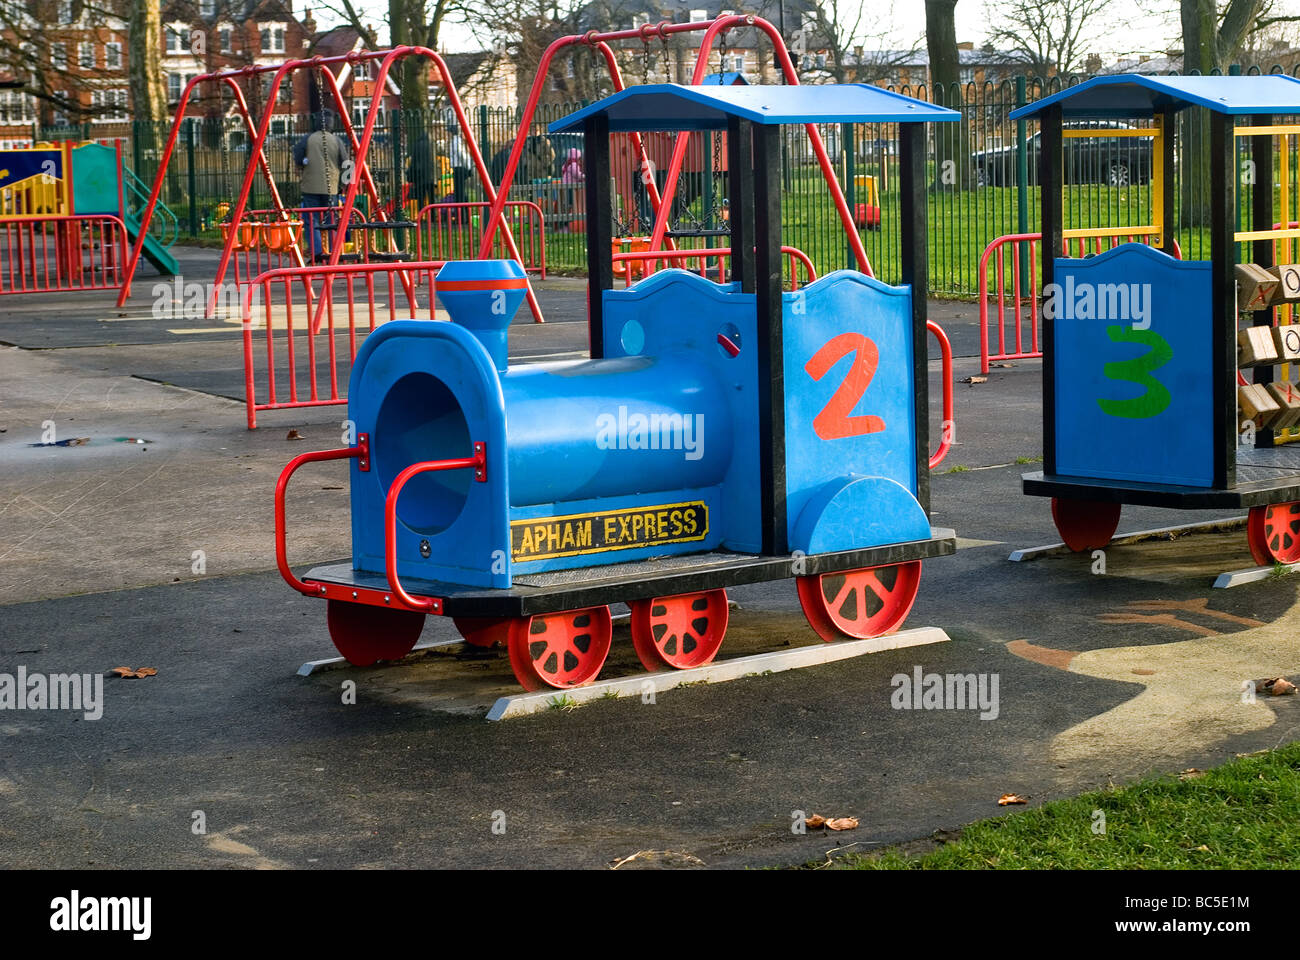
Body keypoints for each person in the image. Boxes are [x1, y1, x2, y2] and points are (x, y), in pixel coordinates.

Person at [293, 117, 350, 262]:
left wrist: (301, 163)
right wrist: (347, 183)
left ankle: (317, 252)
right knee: (331, 220)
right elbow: (346, 162)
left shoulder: (308, 139)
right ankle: (333, 252)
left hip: (310, 186)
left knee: (312, 220)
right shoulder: (337, 141)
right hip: (331, 187)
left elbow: (298, 154)